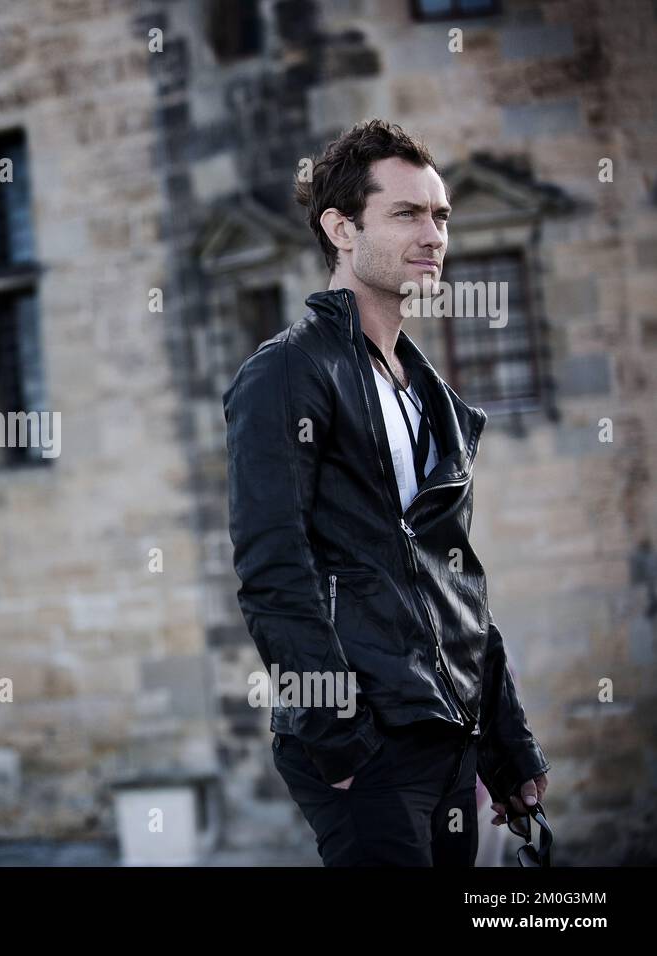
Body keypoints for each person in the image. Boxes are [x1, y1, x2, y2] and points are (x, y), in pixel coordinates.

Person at [222, 120, 550, 866]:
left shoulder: (432, 398)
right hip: (368, 744)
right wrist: (340, 739)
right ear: (341, 228)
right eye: (406, 214)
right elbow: (274, 570)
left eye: (440, 216)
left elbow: (454, 581)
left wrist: (506, 740)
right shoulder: (286, 373)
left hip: (450, 736)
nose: (433, 234)